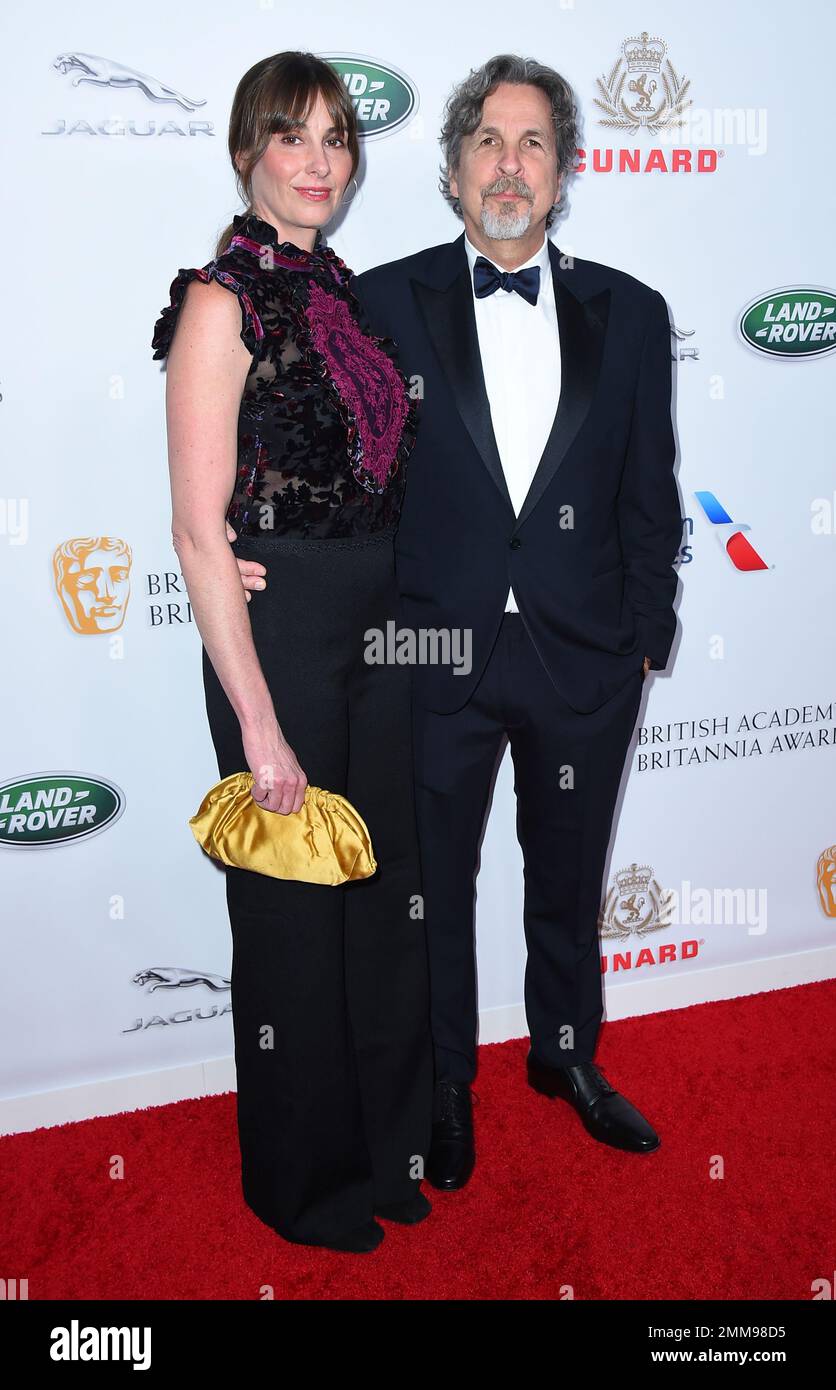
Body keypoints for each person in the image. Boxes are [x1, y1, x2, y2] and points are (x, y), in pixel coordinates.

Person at [233, 54, 682, 1192]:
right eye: (486, 140)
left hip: (584, 656)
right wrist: (240, 539)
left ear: (564, 172)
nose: (509, 164)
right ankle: (441, 1082)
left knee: (567, 874)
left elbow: (648, 491)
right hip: (428, 657)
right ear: (448, 170)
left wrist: (644, 635)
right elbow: (299, 429)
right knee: (428, 885)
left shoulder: (630, 312)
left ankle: (564, 1056)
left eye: (533, 143)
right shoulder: (378, 301)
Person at [151, 50, 433, 1252]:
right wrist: (259, 723)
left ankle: (380, 1149)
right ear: (246, 152)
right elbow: (195, 529)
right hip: (283, 639)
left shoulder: (345, 290)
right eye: (293, 136)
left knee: (379, 904)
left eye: (337, 138)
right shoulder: (221, 300)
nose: (319, 161)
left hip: (378, 626)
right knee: (289, 914)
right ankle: (299, 1181)